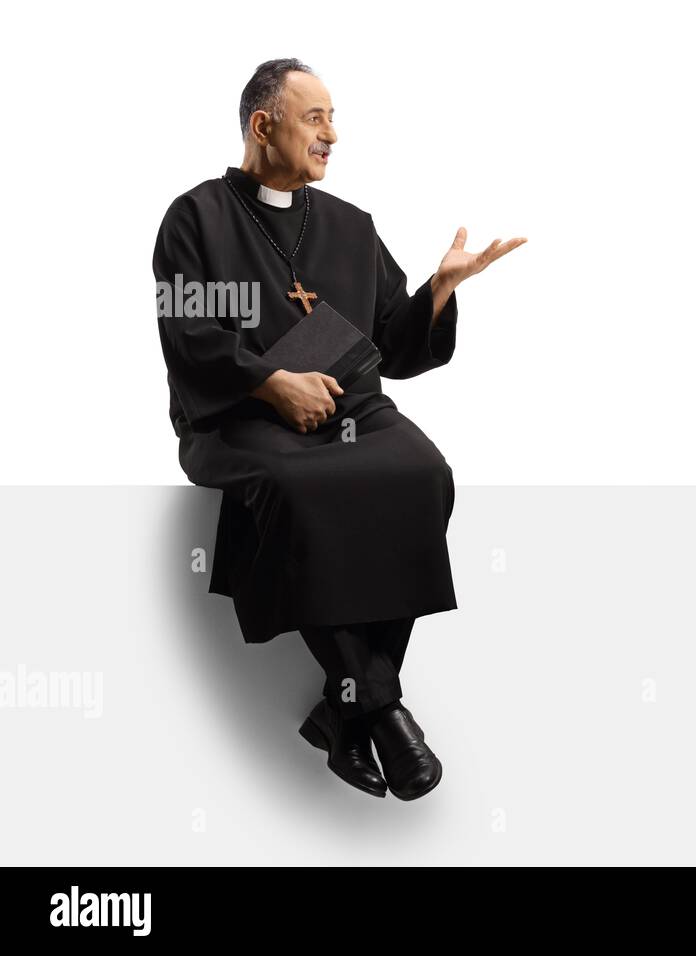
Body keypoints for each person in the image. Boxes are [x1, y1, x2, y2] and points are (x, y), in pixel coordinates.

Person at [153, 58, 525, 799]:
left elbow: (394, 336)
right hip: (241, 415)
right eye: (315, 118)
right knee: (298, 488)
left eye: (332, 118)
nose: (332, 135)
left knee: (423, 474)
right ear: (264, 125)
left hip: (350, 410)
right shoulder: (198, 218)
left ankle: (347, 709)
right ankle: (380, 711)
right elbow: (187, 332)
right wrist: (271, 381)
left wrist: (439, 290)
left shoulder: (351, 227)